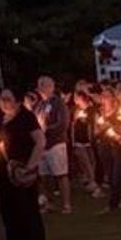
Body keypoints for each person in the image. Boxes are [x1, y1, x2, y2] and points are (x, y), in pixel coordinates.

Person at [0, 89, 47, 240]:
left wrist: (30, 167)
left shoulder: (26, 117)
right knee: (8, 209)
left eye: (9, 99)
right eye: (2, 99)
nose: (5, 103)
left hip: (22, 169)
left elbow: (40, 141)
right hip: (2, 169)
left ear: (18, 101)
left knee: (28, 209)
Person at [34, 76, 72, 214]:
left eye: (43, 85)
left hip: (56, 143)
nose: (40, 88)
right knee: (45, 175)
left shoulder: (59, 103)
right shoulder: (39, 105)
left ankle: (66, 204)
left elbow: (63, 124)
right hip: (42, 145)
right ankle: (49, 202)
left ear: (51, 87)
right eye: (39, 85)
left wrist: (47, 130)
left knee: (61, 174)